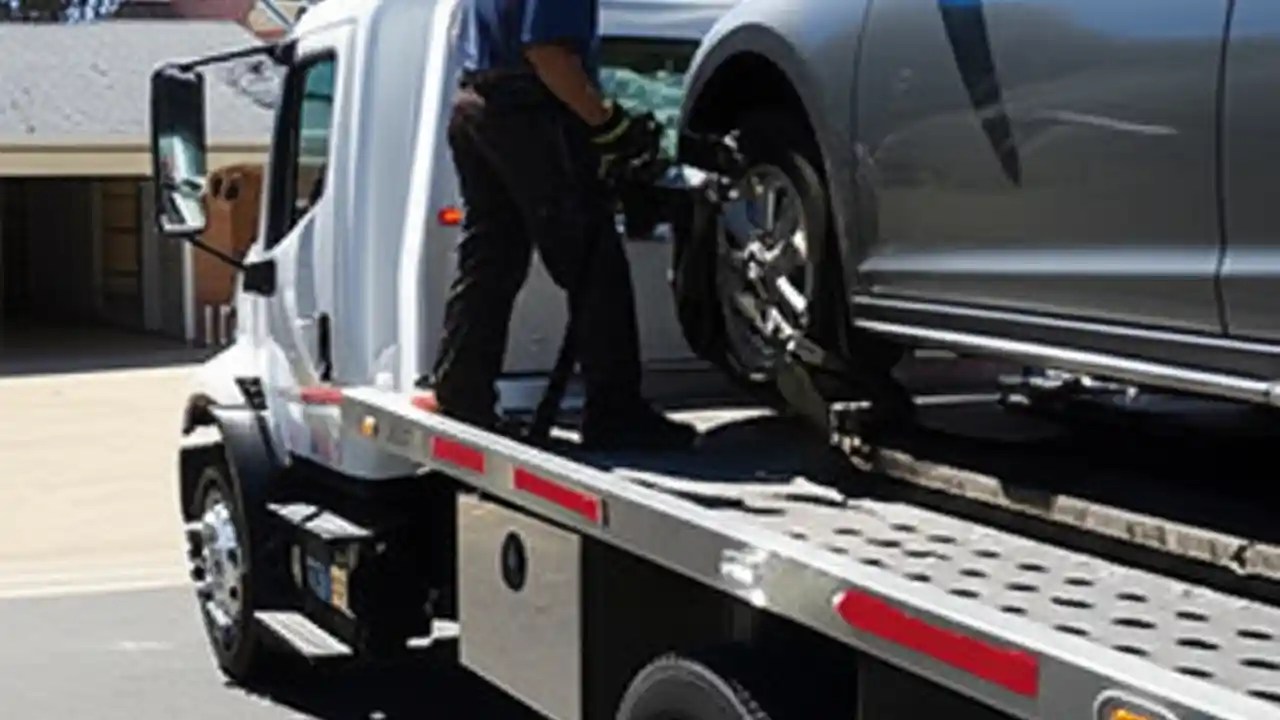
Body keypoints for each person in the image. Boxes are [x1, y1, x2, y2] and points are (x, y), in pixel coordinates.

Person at [416, 0, 699, 451]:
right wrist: (608, 124)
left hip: (478, 107)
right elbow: (548, 54)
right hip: (528, 112)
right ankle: (616, 414)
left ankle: (462, 393)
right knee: (593, 265)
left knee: (492, 259)